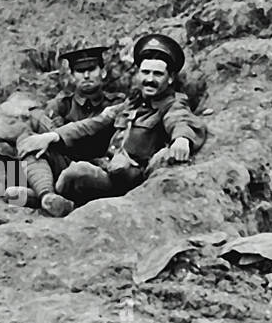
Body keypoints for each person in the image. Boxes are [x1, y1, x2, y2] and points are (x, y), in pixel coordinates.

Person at [17, 34, 206, 204]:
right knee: (31, 144)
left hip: (124, 179)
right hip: (103, 165)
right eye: (145, 72)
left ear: (170, 78)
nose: (150, 79)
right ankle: (47, 196)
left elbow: (180, 118)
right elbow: (95, 123)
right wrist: (51, 137)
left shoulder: (170, 105)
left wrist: (182, 139)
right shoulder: (131, 103)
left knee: (77, 172)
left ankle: (41, 197)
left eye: (157, 74)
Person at [7, 44, 117, 216]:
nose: (86, 75)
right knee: (29, 141)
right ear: (72, 76)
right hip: (63, 165)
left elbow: (94, 126)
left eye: (91, 69)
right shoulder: (61, 104)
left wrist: (54, 135)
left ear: (102, 72)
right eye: (80, 71)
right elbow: (37, 119)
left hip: (98, 170)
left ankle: (37, 198)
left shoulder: (115, 103)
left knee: (78, 173)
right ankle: (47, 196)